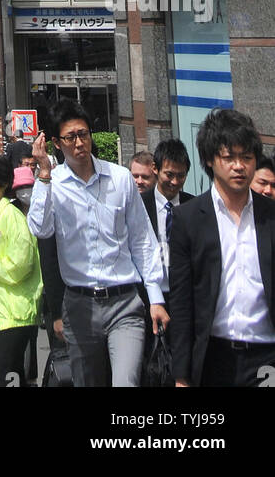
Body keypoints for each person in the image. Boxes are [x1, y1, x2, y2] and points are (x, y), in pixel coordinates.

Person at [28, 99, 167, 387]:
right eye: (70, 137)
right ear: (56, 142)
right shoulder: (52, 183)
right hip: (79, 305)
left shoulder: (120, 178)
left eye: (84, 134)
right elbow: (40, 229)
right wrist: (43, 173)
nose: (79, 143)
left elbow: (143, 239)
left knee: (126, 382)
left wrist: (155, 298)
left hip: (125, 303)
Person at [170, 108, 275, 388]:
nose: (239, 166)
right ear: (209, 159)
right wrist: (181, 375)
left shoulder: (271, 215)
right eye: (229, 157)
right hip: (213, 356)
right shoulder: (188, 219)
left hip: (266, 357)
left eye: (246, 157)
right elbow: (181, 302)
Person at [0, 154, 42, 387]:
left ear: (3, 184)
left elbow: (20, 265)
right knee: (4, 372)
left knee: (7, 372)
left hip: (14, 311)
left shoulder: (12, 217)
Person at [140, 138, 193, 303]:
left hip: (185, 296)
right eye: (169, 175)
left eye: (181, 175)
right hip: (149, 296)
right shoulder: (140, 205)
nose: (175, 182)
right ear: (155, 169)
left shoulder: (194, 207)